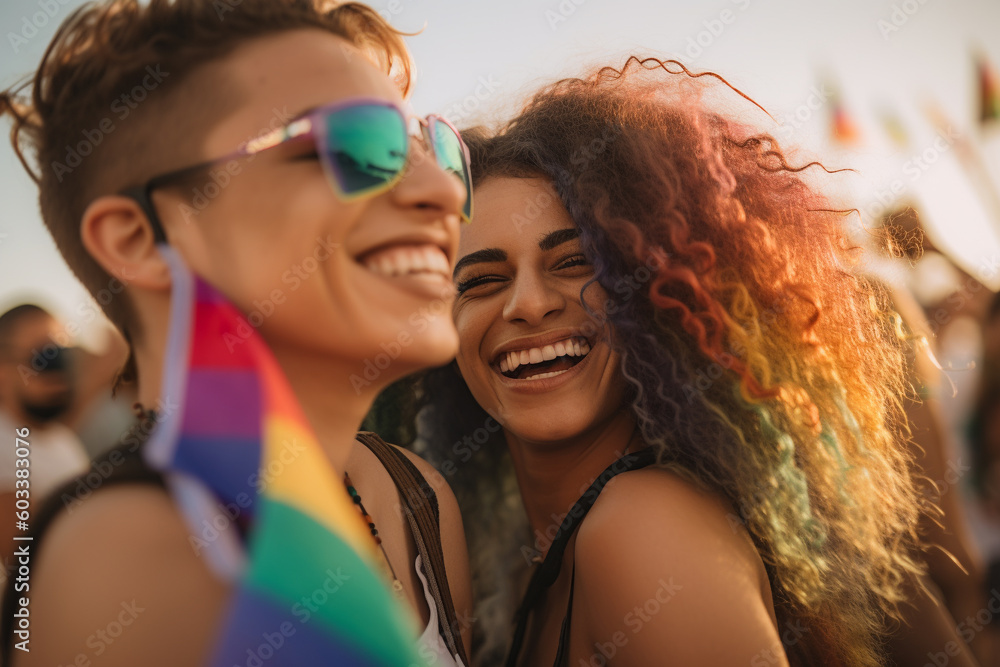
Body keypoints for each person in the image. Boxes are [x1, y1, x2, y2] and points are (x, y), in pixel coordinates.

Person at [373, 57, 980, 666]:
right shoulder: (529, 559)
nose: (527, 305)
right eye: (480, 281)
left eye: (574, 262)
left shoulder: (643, 528)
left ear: (657, 295)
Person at [0, 1, 472, 665]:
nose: (444, 194)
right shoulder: (132, 555)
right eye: (356, 144)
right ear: (140, 238)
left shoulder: (419, 495)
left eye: (436, 150)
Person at [0, 304, 90, 574]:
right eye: (45, 357)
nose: (58, 369)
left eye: (63, 354)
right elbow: (22, 550)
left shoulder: (64, 441)